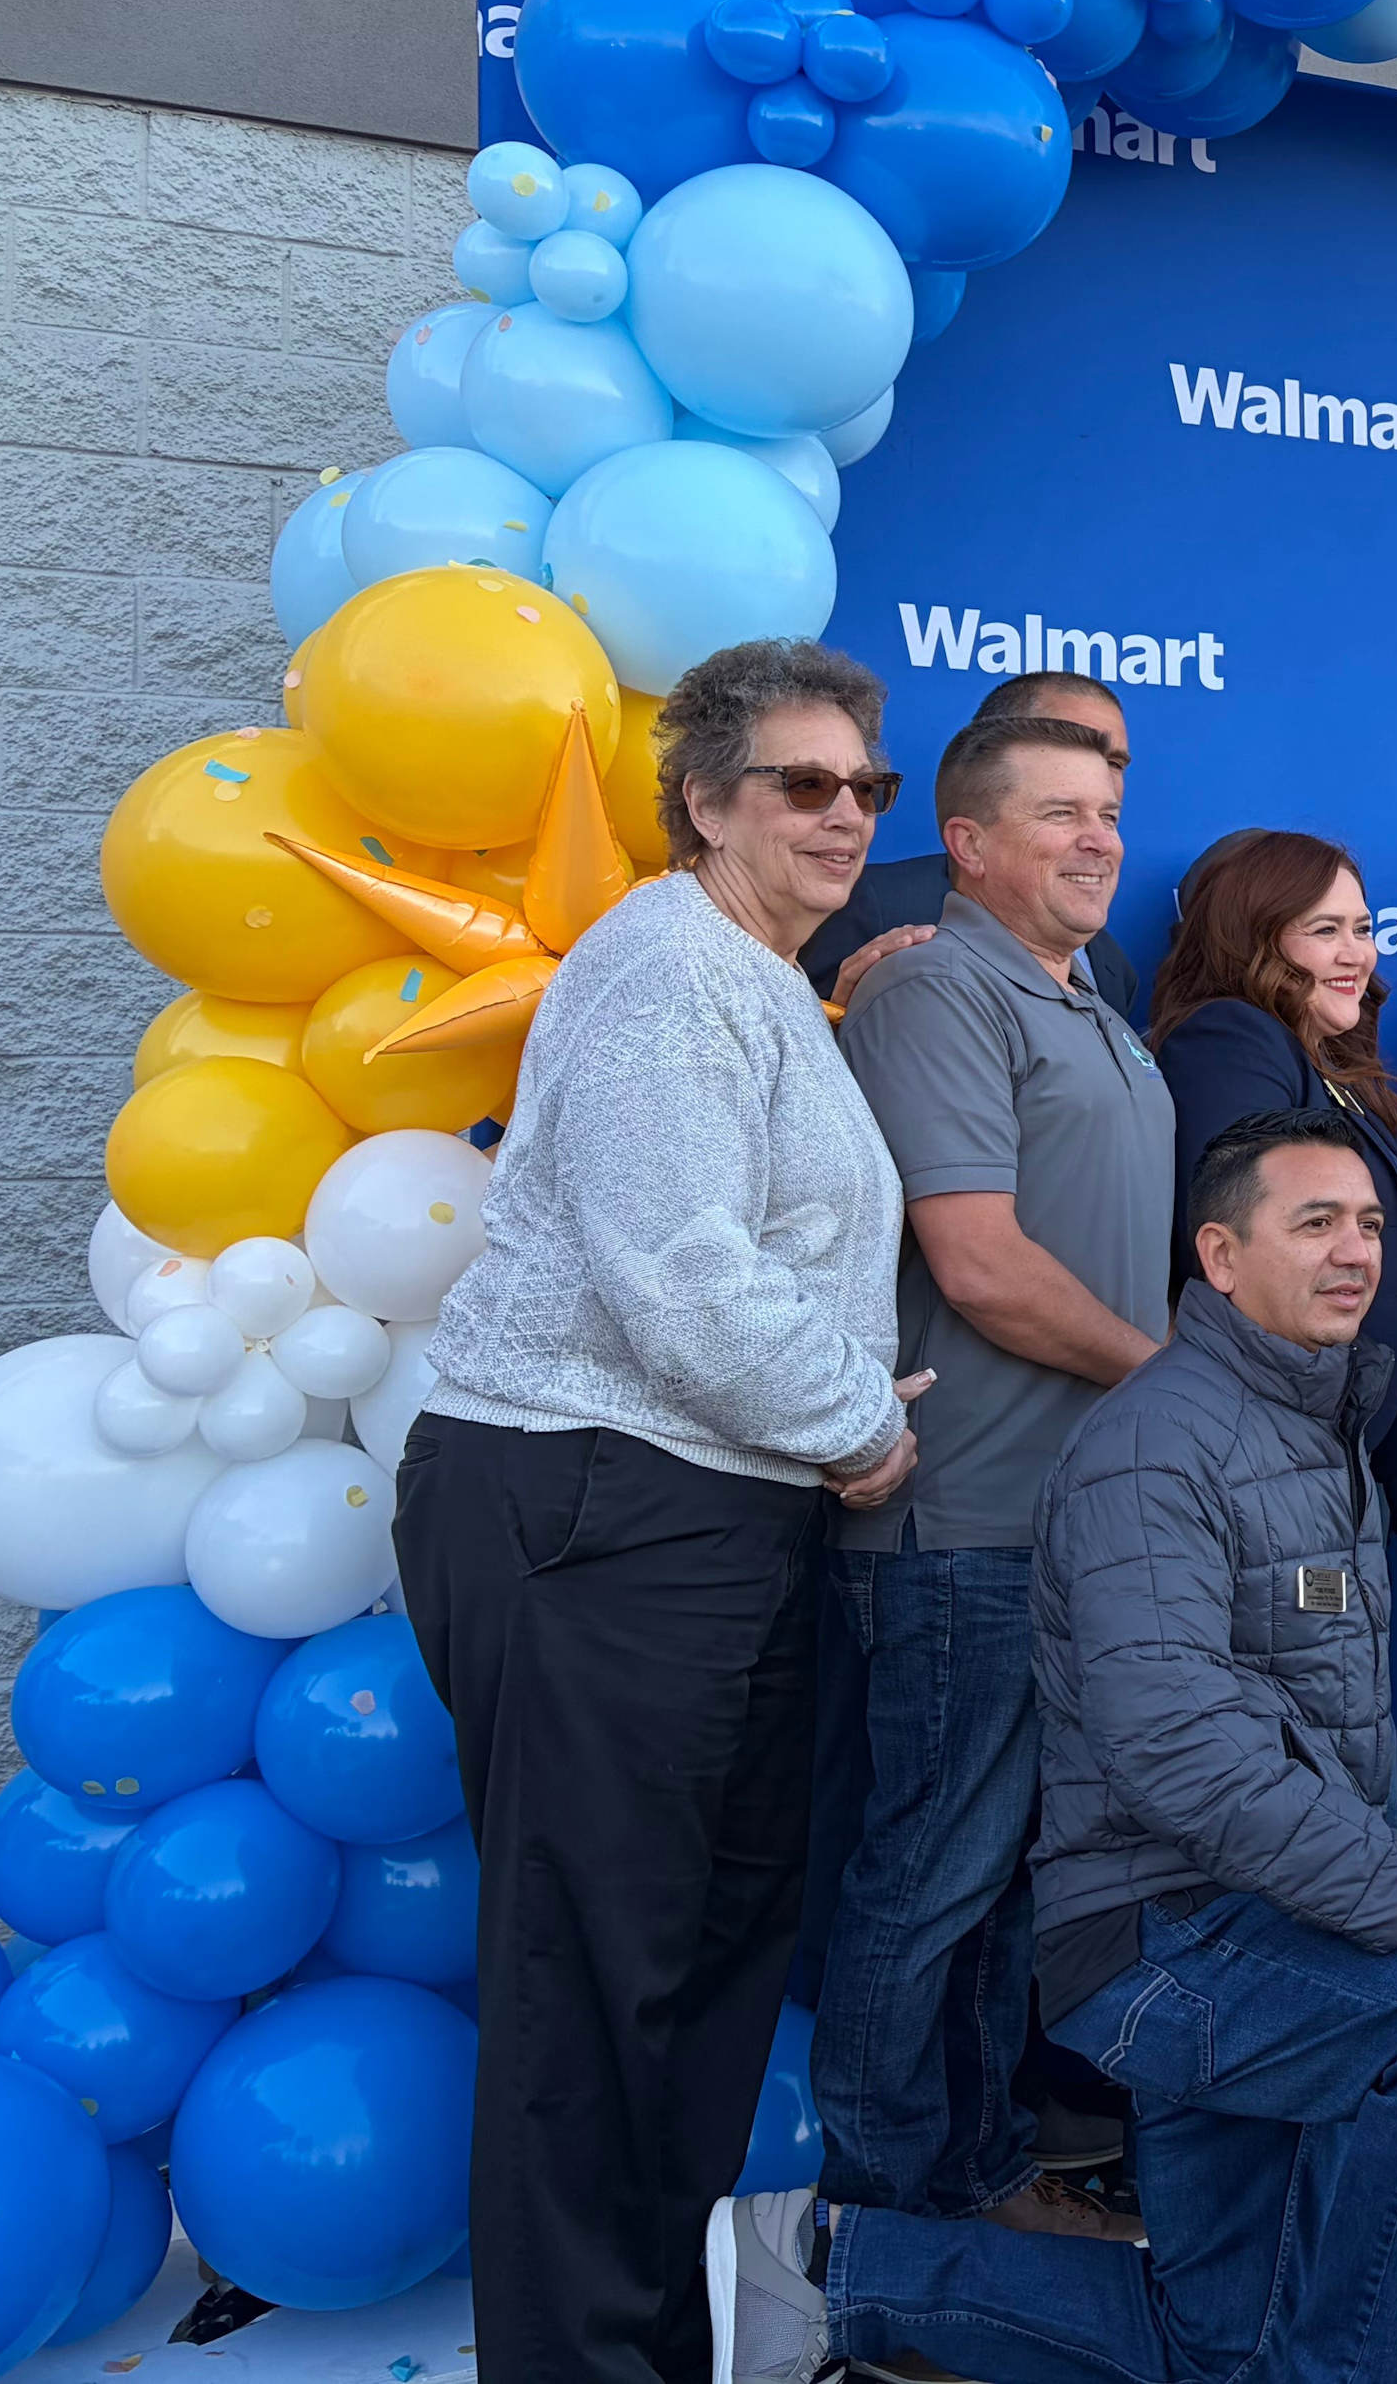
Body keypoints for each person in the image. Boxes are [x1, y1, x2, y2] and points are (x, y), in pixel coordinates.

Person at [731, 1109, 1397, 2384]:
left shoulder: (1307, 1420)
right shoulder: (1155, 1443)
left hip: (1263, 1914)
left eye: (1372, 1225)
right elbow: (1175, 1740)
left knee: (1214, 2342)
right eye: (1316, 1222)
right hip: (1164, 1944)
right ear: (1219, 1258)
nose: (1356, 1253)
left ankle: (828, 2262)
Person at [394, 638, 925, 2384]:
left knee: (687, 1981)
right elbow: (678, 1271)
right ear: (705, 800)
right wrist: (857, 1421)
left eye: (869, 783)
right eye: (803, 781)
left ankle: (645, 2351)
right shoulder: (663, 969)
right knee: (595, 1987)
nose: (844, 813)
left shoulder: (762, 972)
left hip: (712, 1515)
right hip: (601, 1506)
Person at [814, 712, 1174, 2241]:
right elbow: (979, 1264)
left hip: (1068, 1524)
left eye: (1106, 811)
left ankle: (977, 2177)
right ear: (964, 844)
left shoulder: (1090, 998)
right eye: (1056, 814)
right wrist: (1187, 1389)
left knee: (1002, 1884)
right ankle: (886, 2216)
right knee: (929, 1877)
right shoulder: (936, 989)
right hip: (960, 1521)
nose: (1096, 837)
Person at [1143, 831, 1397, 1585]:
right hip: (1270, 1465)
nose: (1356, 954)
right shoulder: (1232, 1037)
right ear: (1253, 937)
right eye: (1323, 931)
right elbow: (1253, 1261)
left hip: (1336, 1467)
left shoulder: (1331, 1067)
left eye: (1361, 928)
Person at [802, 670, 1142, 1019]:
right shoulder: (875, 906)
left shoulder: (1113, 966)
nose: (1092, 772)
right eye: (1062, 744)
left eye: (1113, 762)